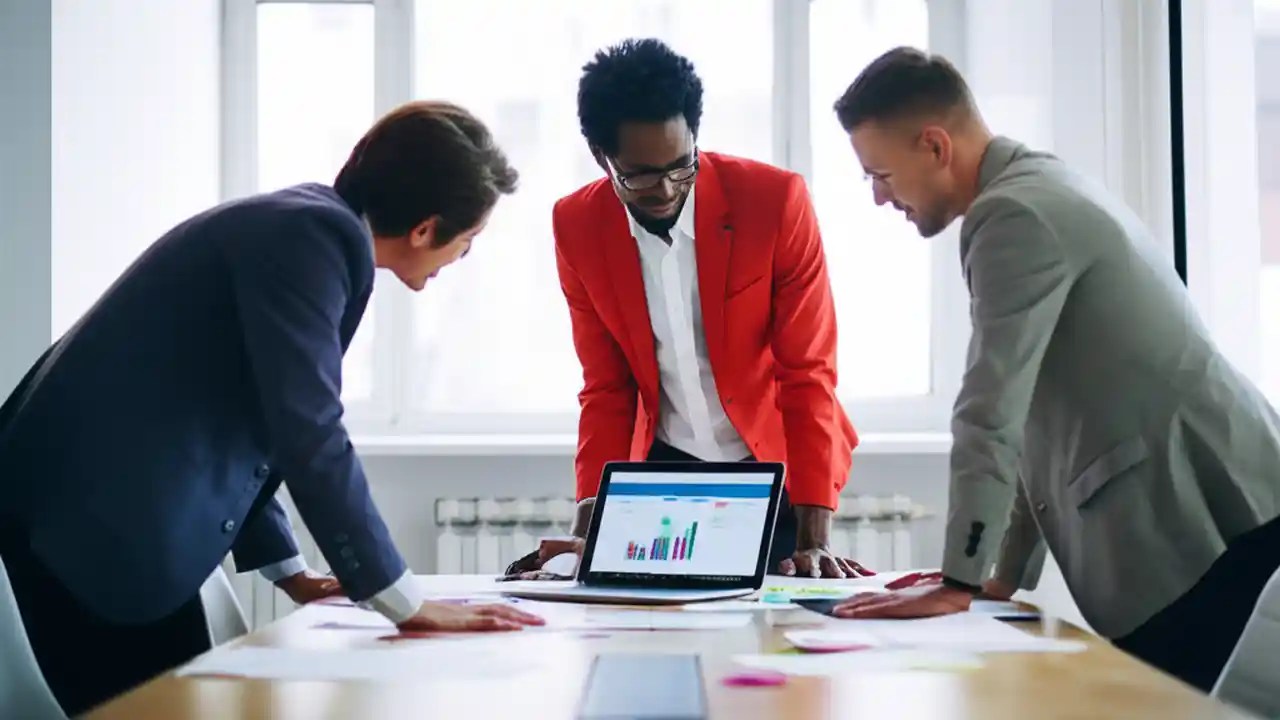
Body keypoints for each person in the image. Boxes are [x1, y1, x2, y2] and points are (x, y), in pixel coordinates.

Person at [0, 100, 544, 716]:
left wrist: (292, 572)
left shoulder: (301, 225)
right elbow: (308, 427)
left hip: (106, 526)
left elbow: (257, 419)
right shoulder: (315, 238)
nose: (459, 260)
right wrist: (403, 599)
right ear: (425, 228)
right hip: (92, 537)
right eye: (467, 242)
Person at [826, 46, 1280, 692]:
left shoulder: (1012, 215)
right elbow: (1030, 421)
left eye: (880, 174)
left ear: (933, 145)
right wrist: (990, 578)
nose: (876, 197)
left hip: (1207, 532)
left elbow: (990, 409)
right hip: (1217, 533)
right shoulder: (1036, 186)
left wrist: (957, 580)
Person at [506, 38, 869, 581]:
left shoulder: (774, 202)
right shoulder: (577, 225)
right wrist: (587, 523)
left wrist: (817, 535)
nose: (668, 188)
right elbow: (607, 385)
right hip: (662, 467)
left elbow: (807, 370)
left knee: (777, 639)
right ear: (600, 156)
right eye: (643, 175)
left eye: (682, 166)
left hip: (777, 468)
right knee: (647, 633)